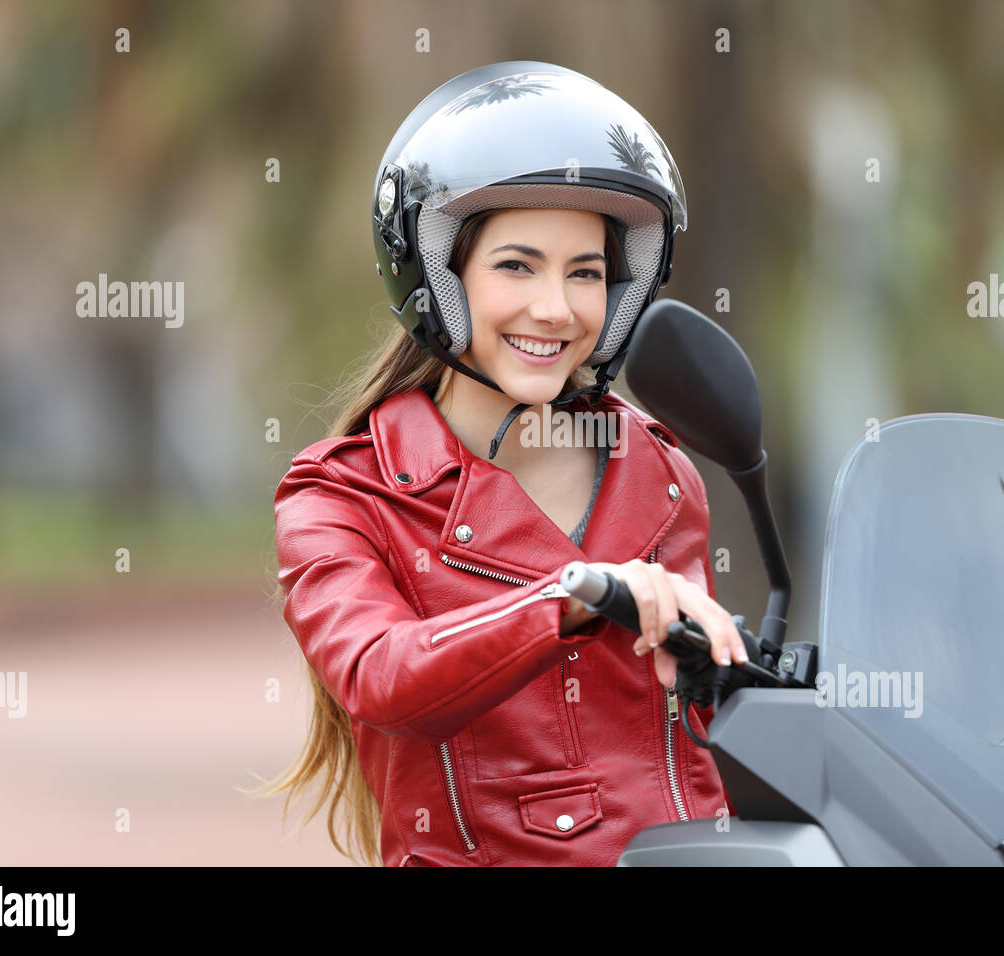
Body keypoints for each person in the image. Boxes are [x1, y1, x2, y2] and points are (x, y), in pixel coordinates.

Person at [259, 61, 746, 866]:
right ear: (441, 276)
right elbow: (385, 676)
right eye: (517, 265)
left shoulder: (657, 473)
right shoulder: (340, 497)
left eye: (586, 273)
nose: (555, 308)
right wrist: (577, 596)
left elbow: (691, 745)